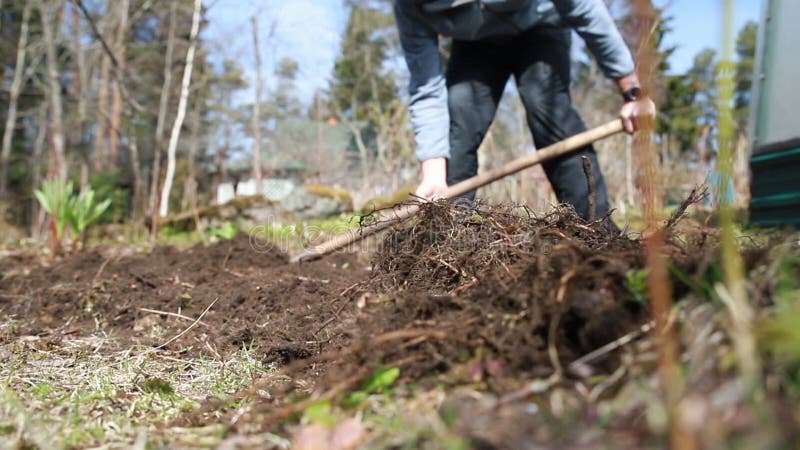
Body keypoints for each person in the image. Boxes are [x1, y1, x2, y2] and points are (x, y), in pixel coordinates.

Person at [394, 0, 656, 220]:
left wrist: (632, 91)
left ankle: (594, 229)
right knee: (459, 114)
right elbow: (426, 87)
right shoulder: (409, 6)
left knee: (544, 100)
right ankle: (445, 239)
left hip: (541, 25)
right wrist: (433, 176)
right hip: (475, 44)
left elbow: (586, 10)